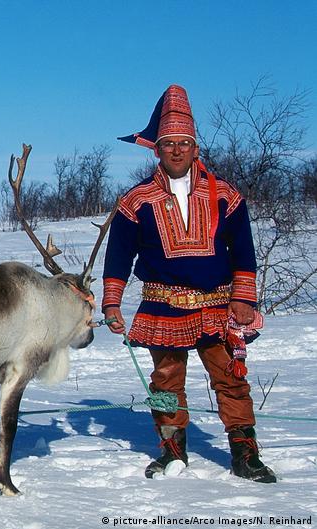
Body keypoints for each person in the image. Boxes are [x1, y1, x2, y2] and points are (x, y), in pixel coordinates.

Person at [102, 85, 276, 483]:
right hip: (162, 307)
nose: (177, 150)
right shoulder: (136, 201)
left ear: (195, 148)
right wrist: (112, 303)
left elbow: (244, 251)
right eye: (169, 144)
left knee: (230, 379)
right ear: (157, 149)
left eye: (184, 143)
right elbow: (119, 257)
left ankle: (244, 454)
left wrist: (244, 298)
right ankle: (171, 450)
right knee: (166, 382)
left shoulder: (226, 196)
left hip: (218, 306)